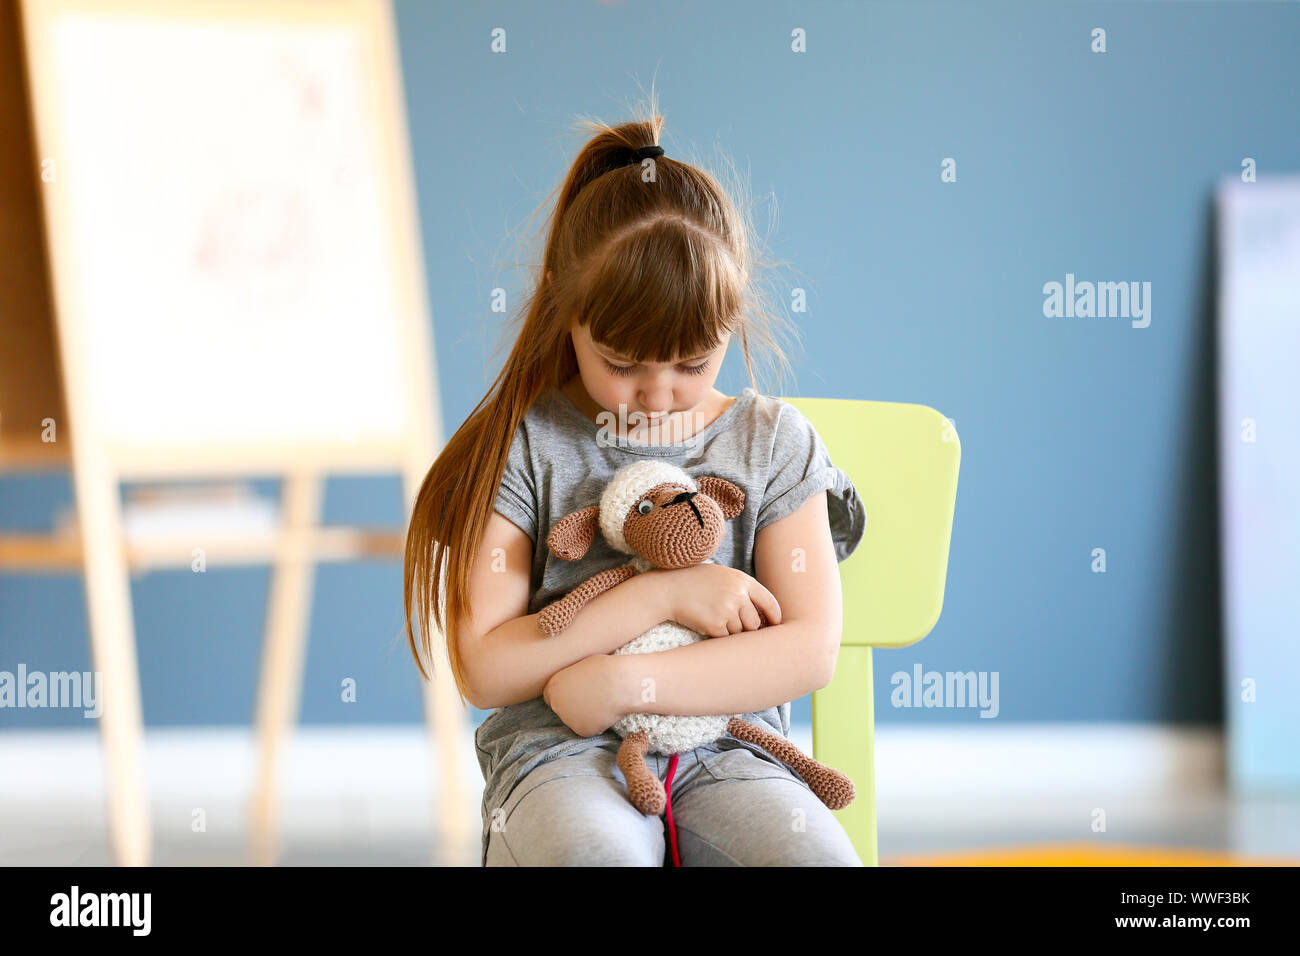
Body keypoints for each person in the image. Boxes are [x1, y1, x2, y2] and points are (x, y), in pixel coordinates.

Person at [403, 100, 867, 866]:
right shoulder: (529, 445)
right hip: (558, 756)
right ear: (564, 306)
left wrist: (625, 684)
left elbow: (808, 651)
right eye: (622, 363)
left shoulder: (771, 443)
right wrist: (659, 595)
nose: (656, 396)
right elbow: (485, 666)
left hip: (733, 746)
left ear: (733, 311)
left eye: (692, 362)